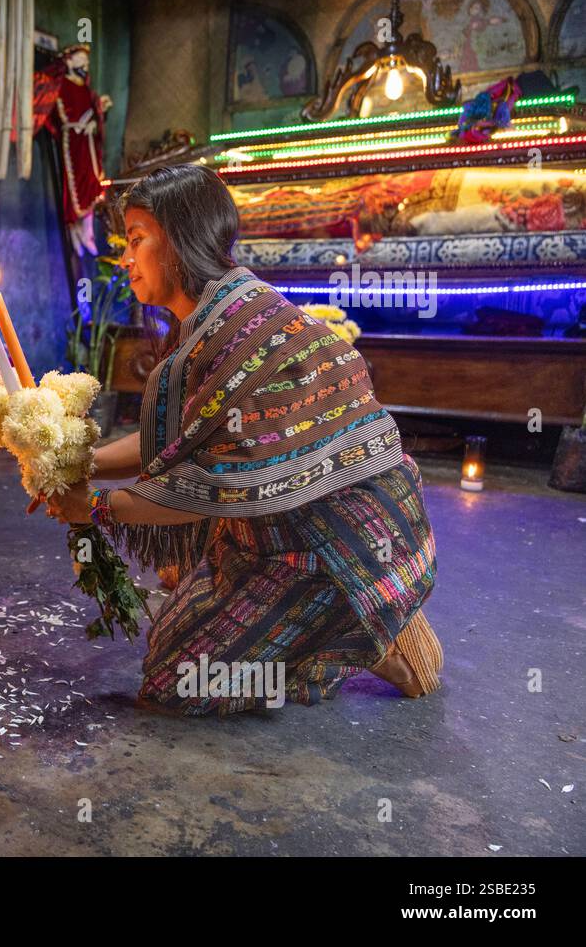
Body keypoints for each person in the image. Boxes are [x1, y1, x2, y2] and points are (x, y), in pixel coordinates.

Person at [46, 164, 442, 716]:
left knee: (179, 678)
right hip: (316, 529)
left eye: (136, 240)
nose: (126, 259)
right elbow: (183, 444)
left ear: (180, 241)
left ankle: (363, 628)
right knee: (178, 591)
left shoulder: (234, 331)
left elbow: (208, 490)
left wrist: (90, 505)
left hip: (343, 547)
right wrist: (74, 460)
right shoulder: (223, 314)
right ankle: (363, 609)